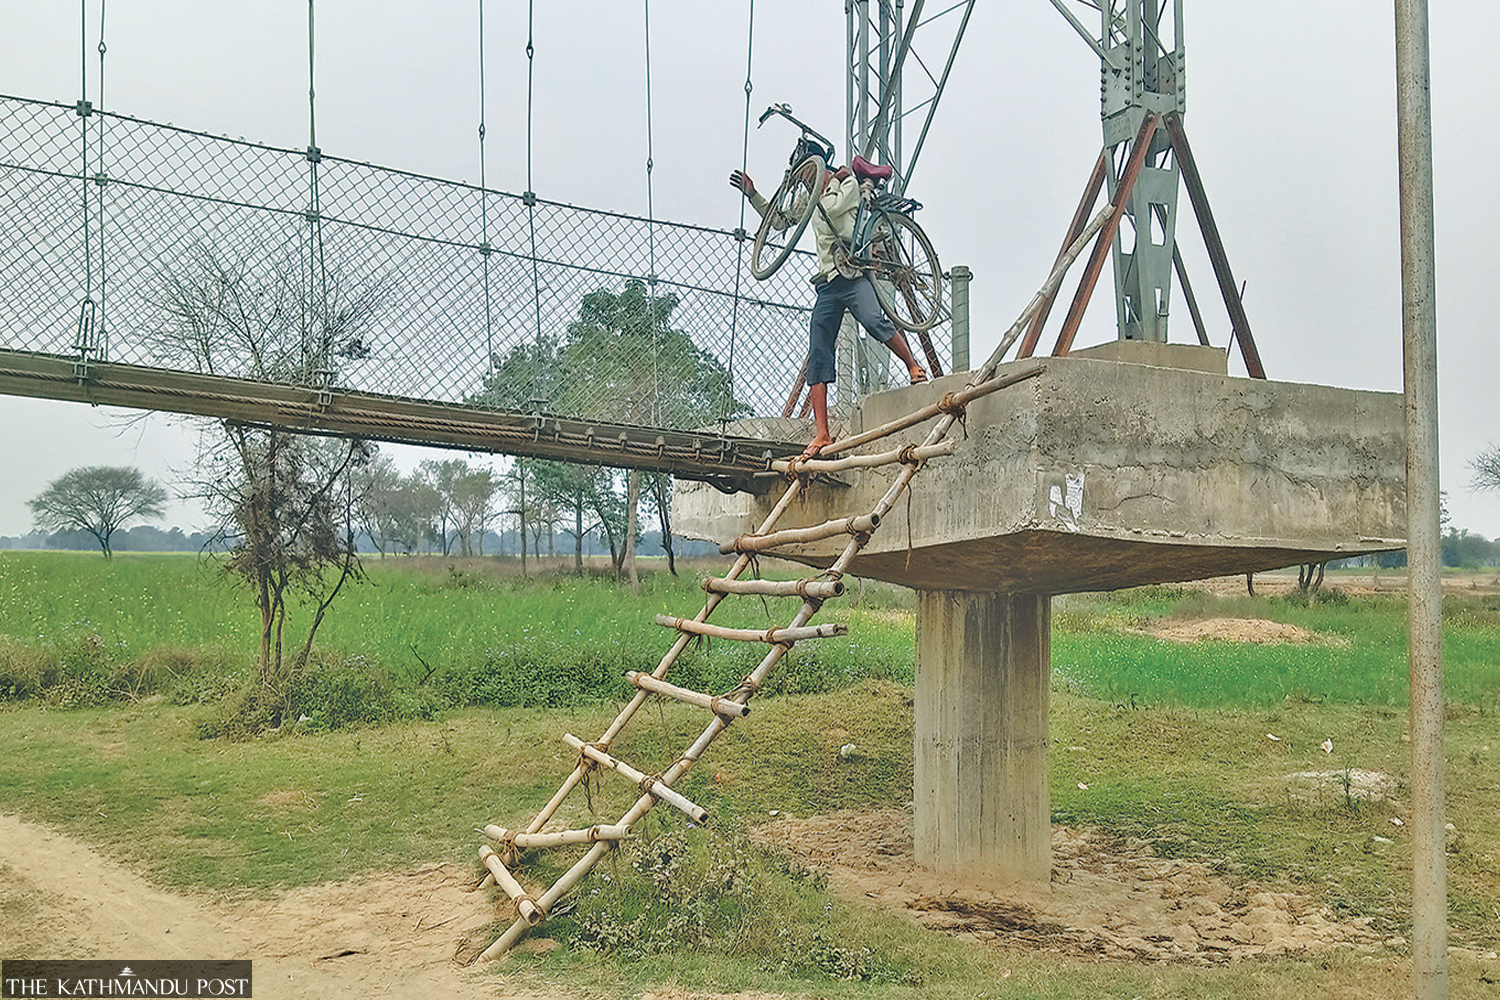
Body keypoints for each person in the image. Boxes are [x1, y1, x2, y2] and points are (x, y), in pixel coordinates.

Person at [730, 149, 927, 459]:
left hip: (852, 276)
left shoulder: (844, 185)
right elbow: (780, 221)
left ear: (819, 168)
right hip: (827, 284)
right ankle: (822, 432)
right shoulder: (807, 200)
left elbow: (835, 212)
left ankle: (913, 365)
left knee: (875, 321)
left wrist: (831, 187)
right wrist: (753, 194)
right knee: (819, 351)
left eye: (808, 173)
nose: (804, 180)